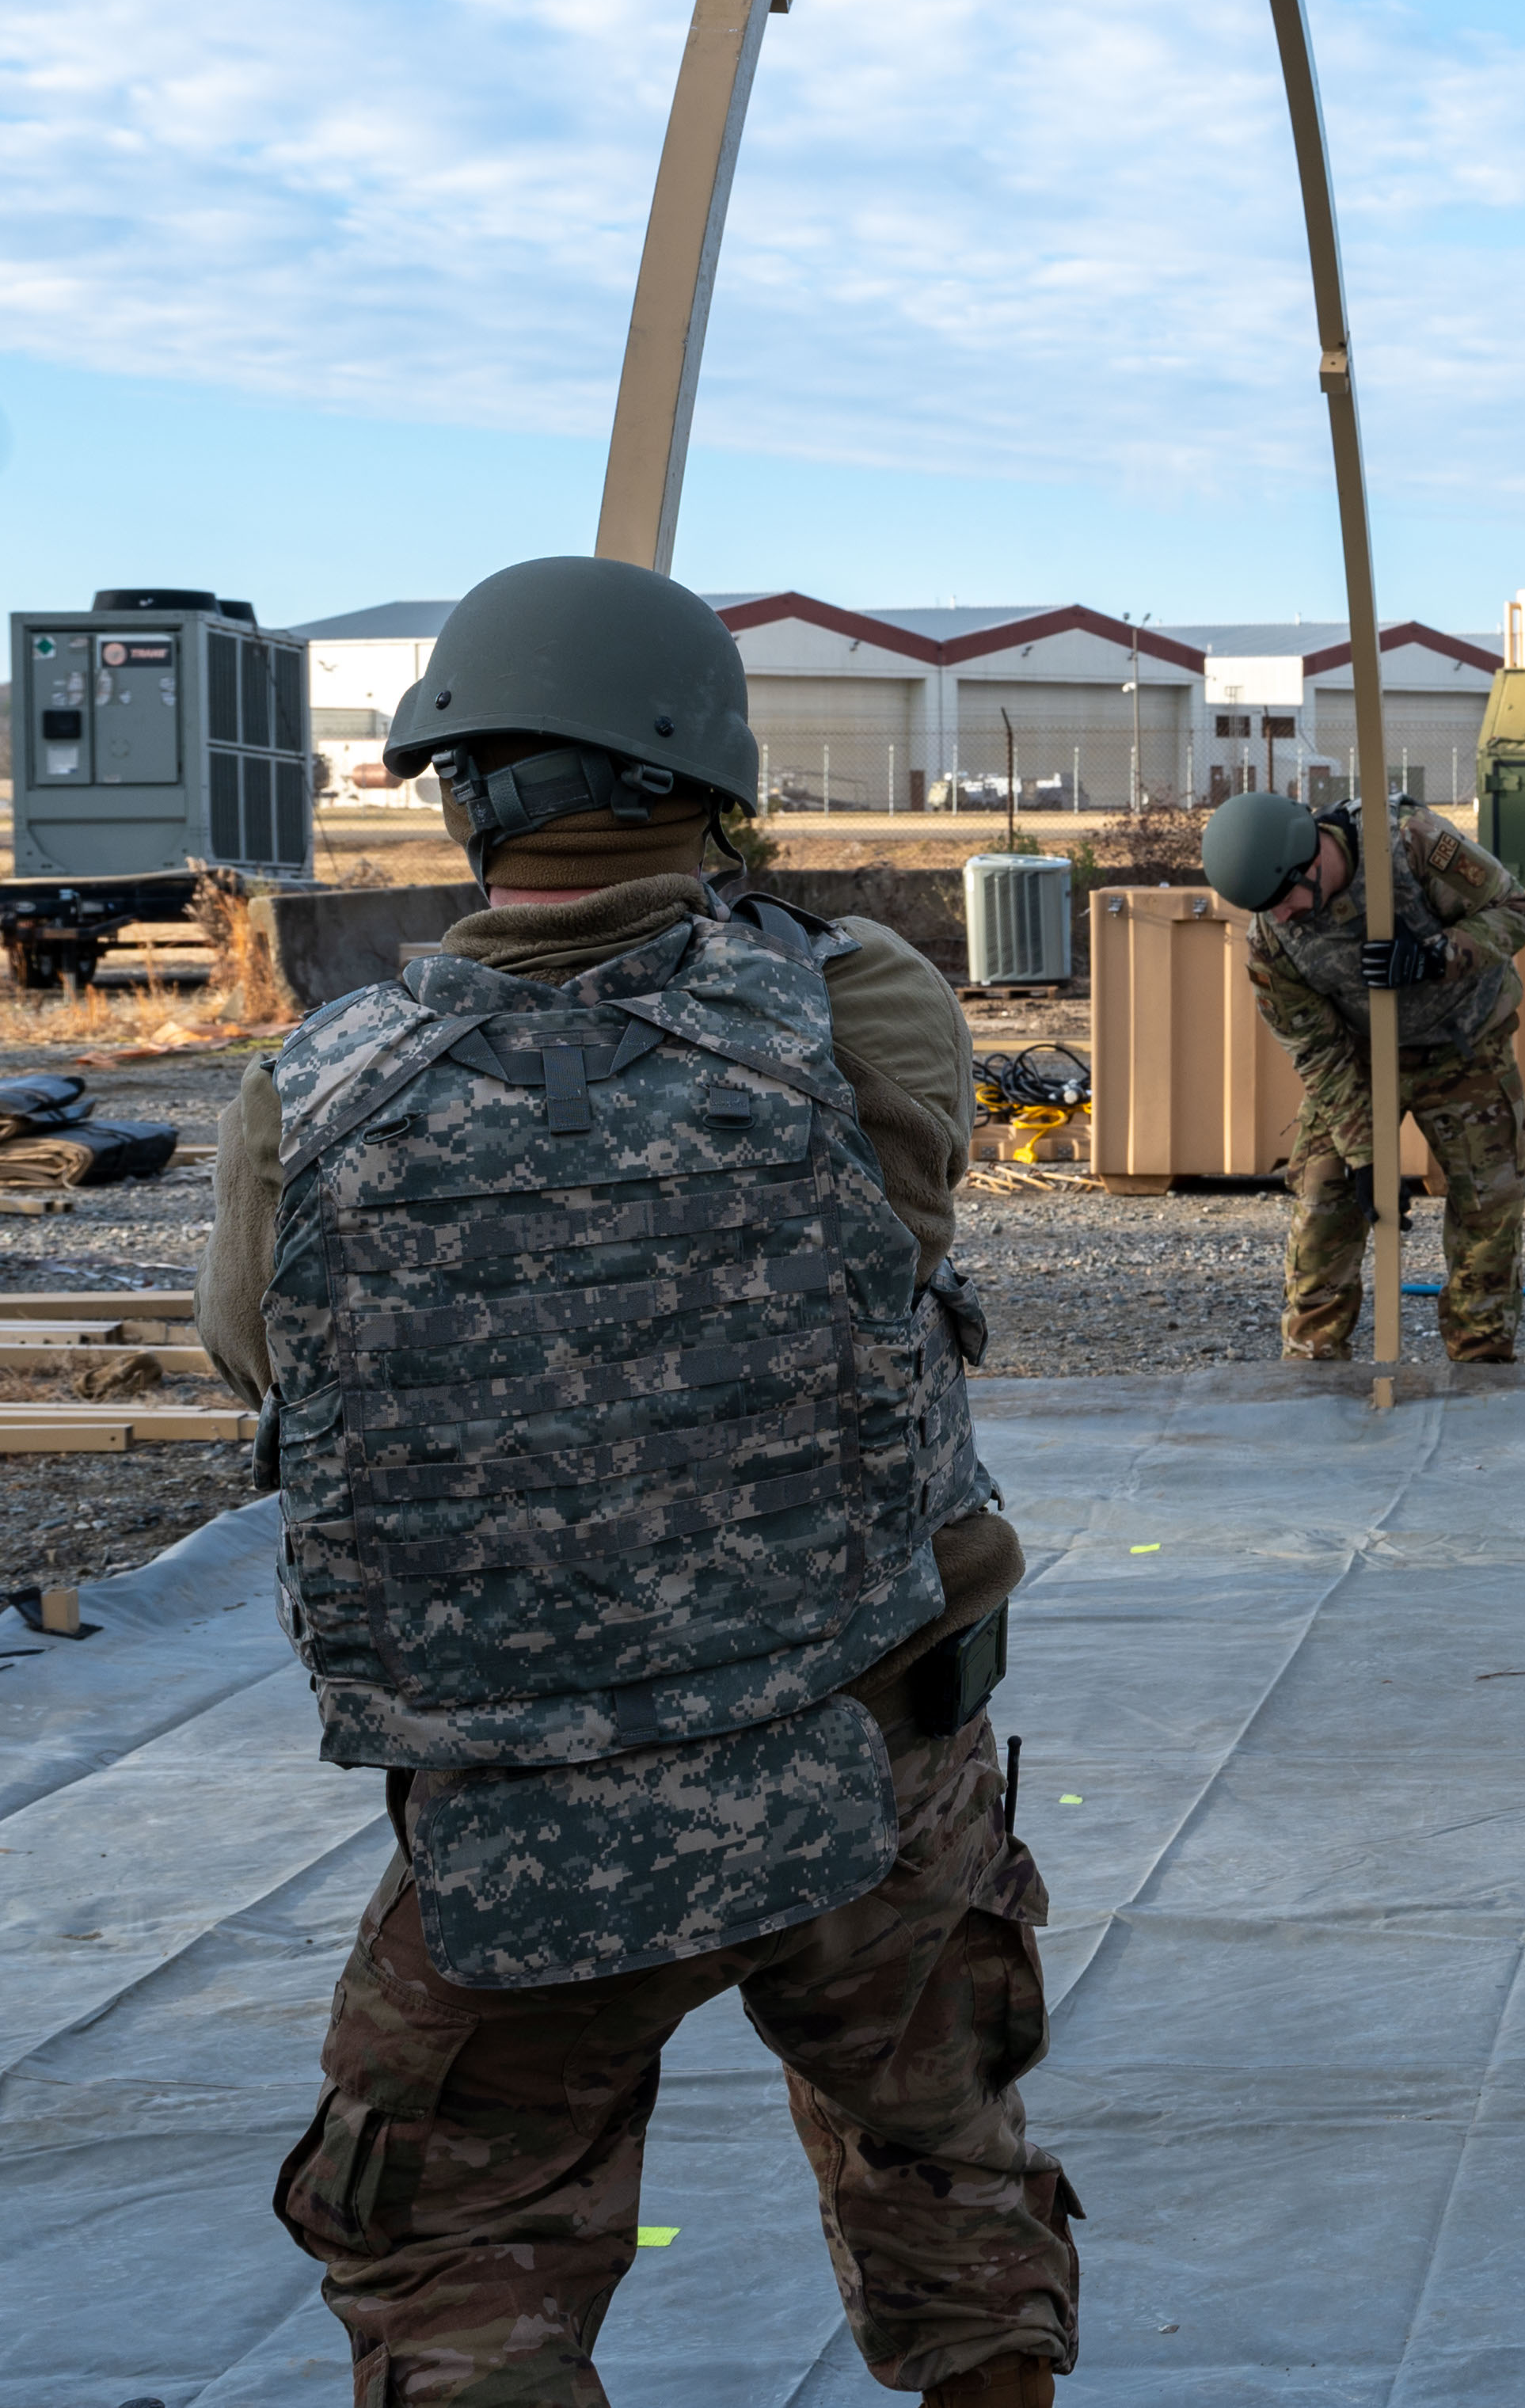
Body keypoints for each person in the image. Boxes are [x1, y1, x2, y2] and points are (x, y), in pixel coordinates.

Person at [196, 556, 1074, 2406]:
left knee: (457, 2251)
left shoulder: (316, 1090)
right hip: (868, 1756)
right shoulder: (862, 1004)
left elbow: (265, 1367)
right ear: (708, 771)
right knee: (948, 2183)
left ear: (459, 789)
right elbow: (886, 1253)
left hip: (528, 1809)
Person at [1205, 788, 1525, 1363]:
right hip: (1359, 1060)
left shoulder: (1408, 842)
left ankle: (1482, 1365)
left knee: (1489, 1203)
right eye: (1265, 908)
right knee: (1321, 1200)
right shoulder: (1271, 941)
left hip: (1463, 1047)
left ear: (1309, 859)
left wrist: (1437, 953)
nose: (1280, 916)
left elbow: (1515, 911)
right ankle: (1312, 1367)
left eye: (1283, 898)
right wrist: (1366, 1156)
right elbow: (1317, 1053)